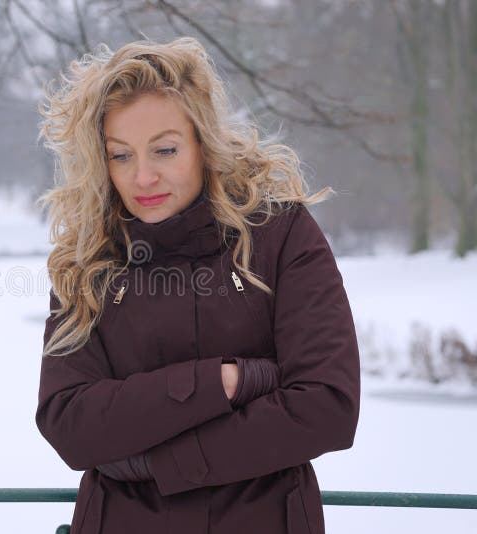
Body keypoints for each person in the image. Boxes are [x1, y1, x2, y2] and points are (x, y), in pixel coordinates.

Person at [34, 36, 360, 534]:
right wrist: (231, 381)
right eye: (121, 156)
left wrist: (153, 464)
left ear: (203, 141)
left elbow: (326, 406)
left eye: (164, 149)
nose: (144, 176)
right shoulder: (86, 262)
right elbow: (70, 424)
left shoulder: (280, 234)